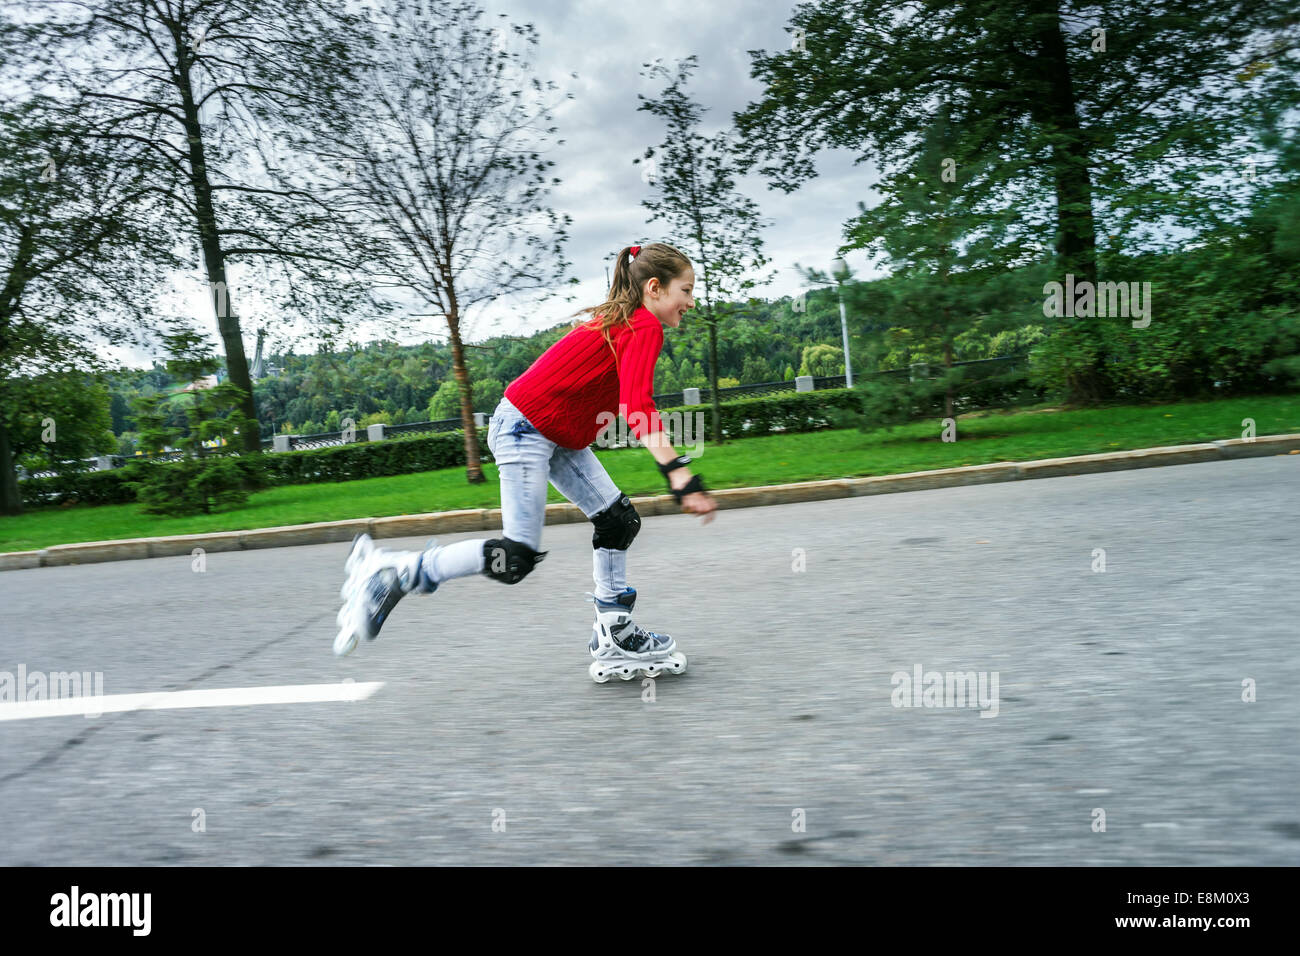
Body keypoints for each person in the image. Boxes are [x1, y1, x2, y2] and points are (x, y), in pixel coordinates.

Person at [335, 241, 717, 678]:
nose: (690, 301)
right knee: (514, 555)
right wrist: (680, 475)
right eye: (686, 290)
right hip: (527, 429)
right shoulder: (643, 326)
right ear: (654, 287)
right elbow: (636, 406)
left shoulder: (629, 323)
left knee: (618, 521)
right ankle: (395, 571)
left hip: (553, 433)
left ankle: (614, 631)